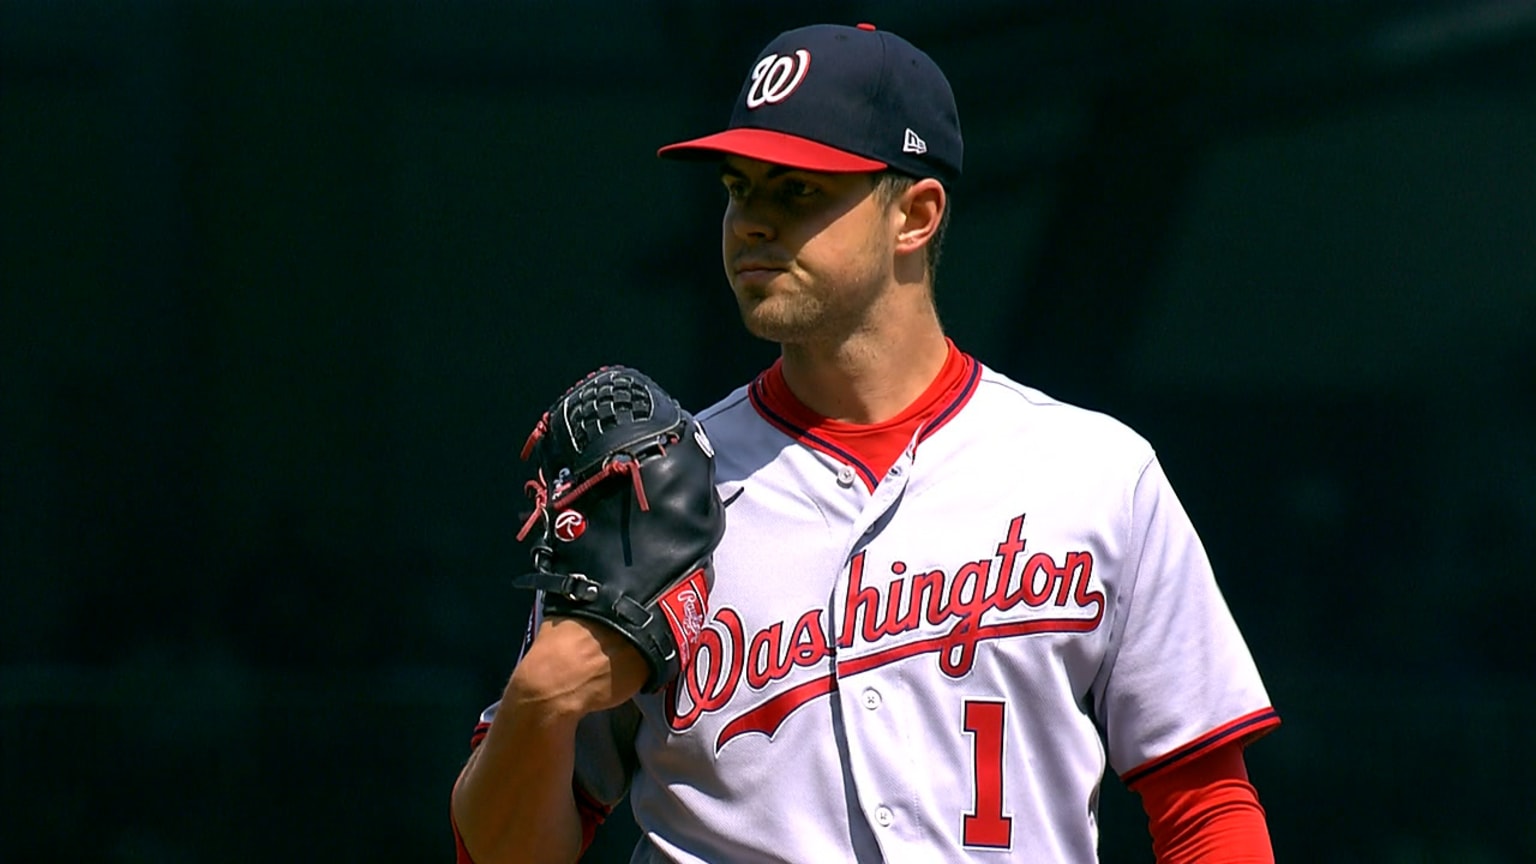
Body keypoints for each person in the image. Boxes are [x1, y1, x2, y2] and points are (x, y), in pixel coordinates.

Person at [451, 22, 1280, 864]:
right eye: (741, 188)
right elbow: (500, 855)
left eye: (798, 192)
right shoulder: (655, 487)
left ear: (915, 214)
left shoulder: (1096, 473)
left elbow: (1204, 802)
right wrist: (539, 701)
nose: (751, 223)